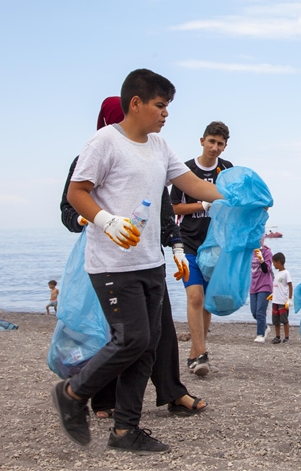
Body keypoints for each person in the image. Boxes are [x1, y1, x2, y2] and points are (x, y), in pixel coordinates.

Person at [53, 69, 222, 454]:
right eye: (160, 106)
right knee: (132, 339)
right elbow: (76, 193)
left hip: (149, 261)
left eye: (167, 107)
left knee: (148, 346)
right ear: (136, 103)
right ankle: (71, 393)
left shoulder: (160, 146)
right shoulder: (104, 142)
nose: (165, 114)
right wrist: (105, 220)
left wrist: (233, 195)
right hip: (112, 262)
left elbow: (190, 184)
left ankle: (126, 431)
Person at [170, 121, 234, 376]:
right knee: (195, 296)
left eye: (220, 144)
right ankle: (201, 354)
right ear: (202, 140)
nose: (215, 147)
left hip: (215, 247)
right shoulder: (185, 170)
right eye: (211, 141)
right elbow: (173, 208)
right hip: (187, 243)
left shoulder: (227, 170)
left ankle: (195, 354)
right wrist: (203, 205)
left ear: (225, 146)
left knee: (206, 303)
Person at [250, 237, 274, 343]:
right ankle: (264, 327)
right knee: (254, 312)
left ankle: (260, 335)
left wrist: (261, 259)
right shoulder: (250, 251)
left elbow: (266, 270)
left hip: (264, 285)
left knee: (260, 311)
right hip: (253, 285)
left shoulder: (267, 251)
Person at [270, 252, 293, 344]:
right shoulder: (276, 273)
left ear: (278, 262)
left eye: (274, 263)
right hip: (275, 300)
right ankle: (277, 336)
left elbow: (290, 286)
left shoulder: (286, 273)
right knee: (275, 320)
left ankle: (286, 337)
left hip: (283, 301)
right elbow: (276, 285)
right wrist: (272, 294)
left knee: (284, 319)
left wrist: (290, 299)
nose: (273, 265)